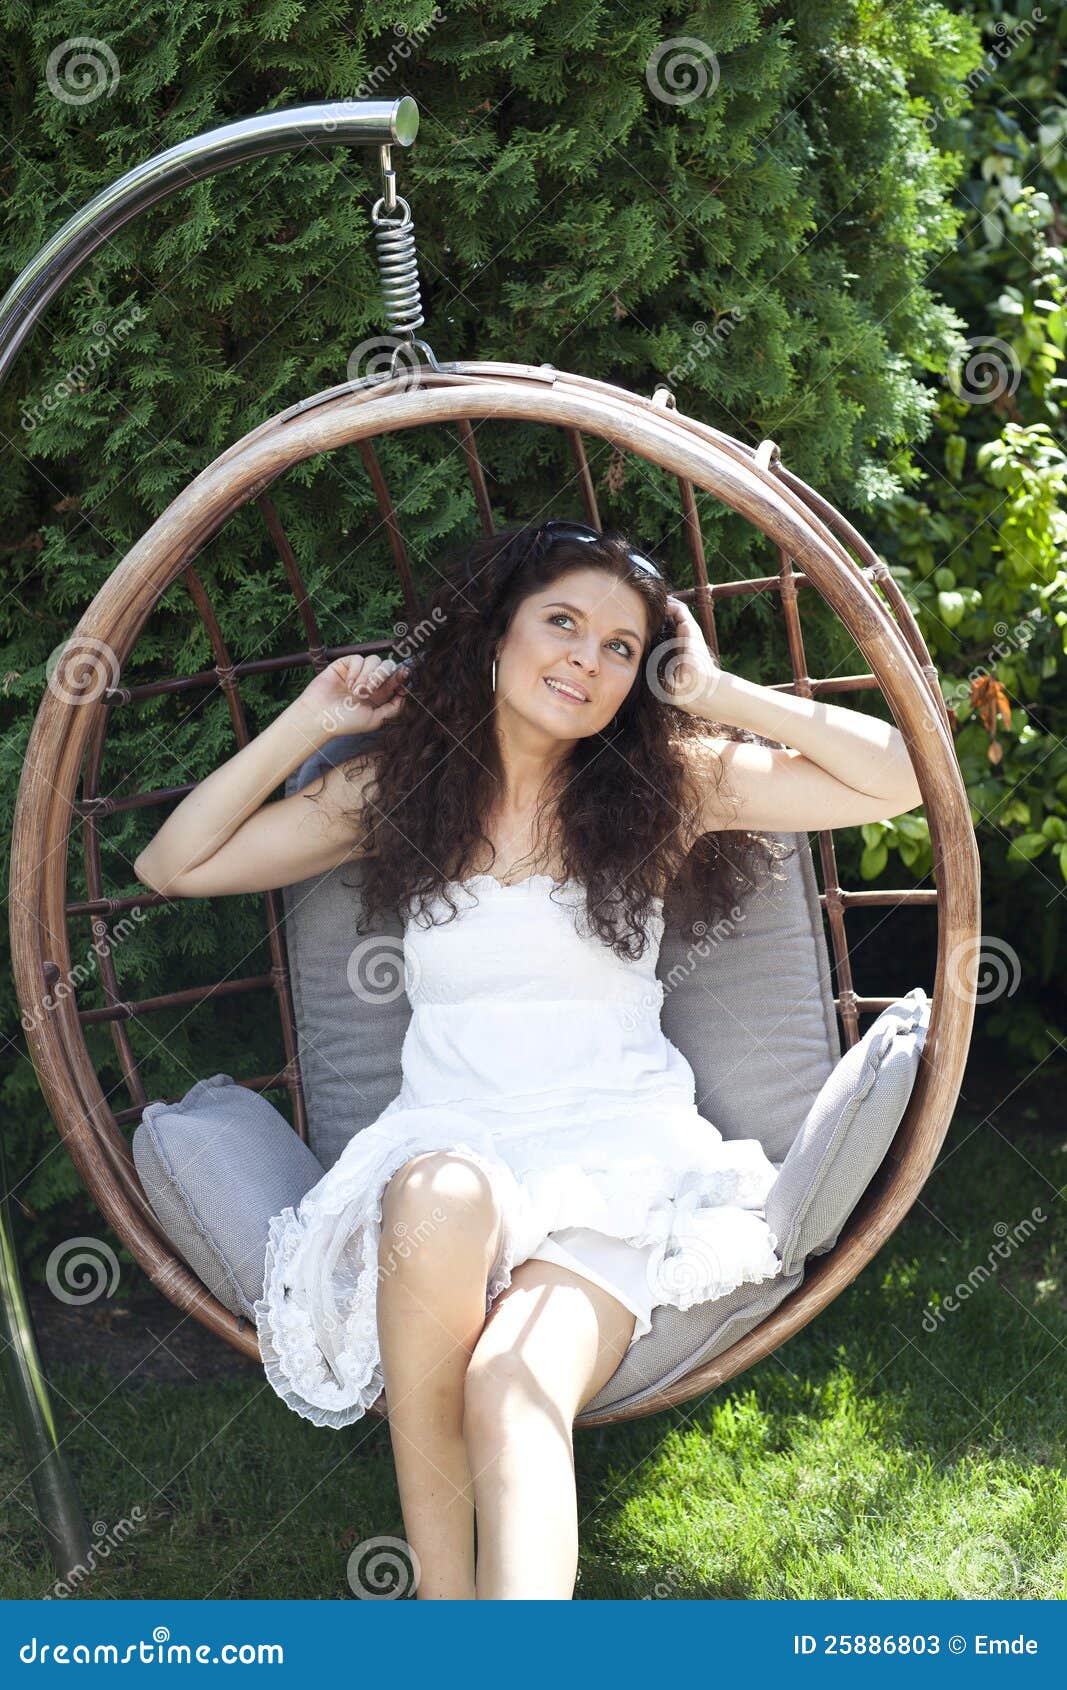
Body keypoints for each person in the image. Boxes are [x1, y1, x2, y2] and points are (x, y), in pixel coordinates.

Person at [133, 519, 923, 1600]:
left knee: (511, 1379)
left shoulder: (666, 783)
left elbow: (900, 779)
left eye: (617, 647)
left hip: (613, 1172)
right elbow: (172, 863)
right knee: (437, 1190)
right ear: (495, 635)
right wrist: (308, 722)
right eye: (560, 622)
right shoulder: (395, 792)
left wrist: (722, 693)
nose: (584, 661)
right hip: (449, 1158)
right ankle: (448, 1618)